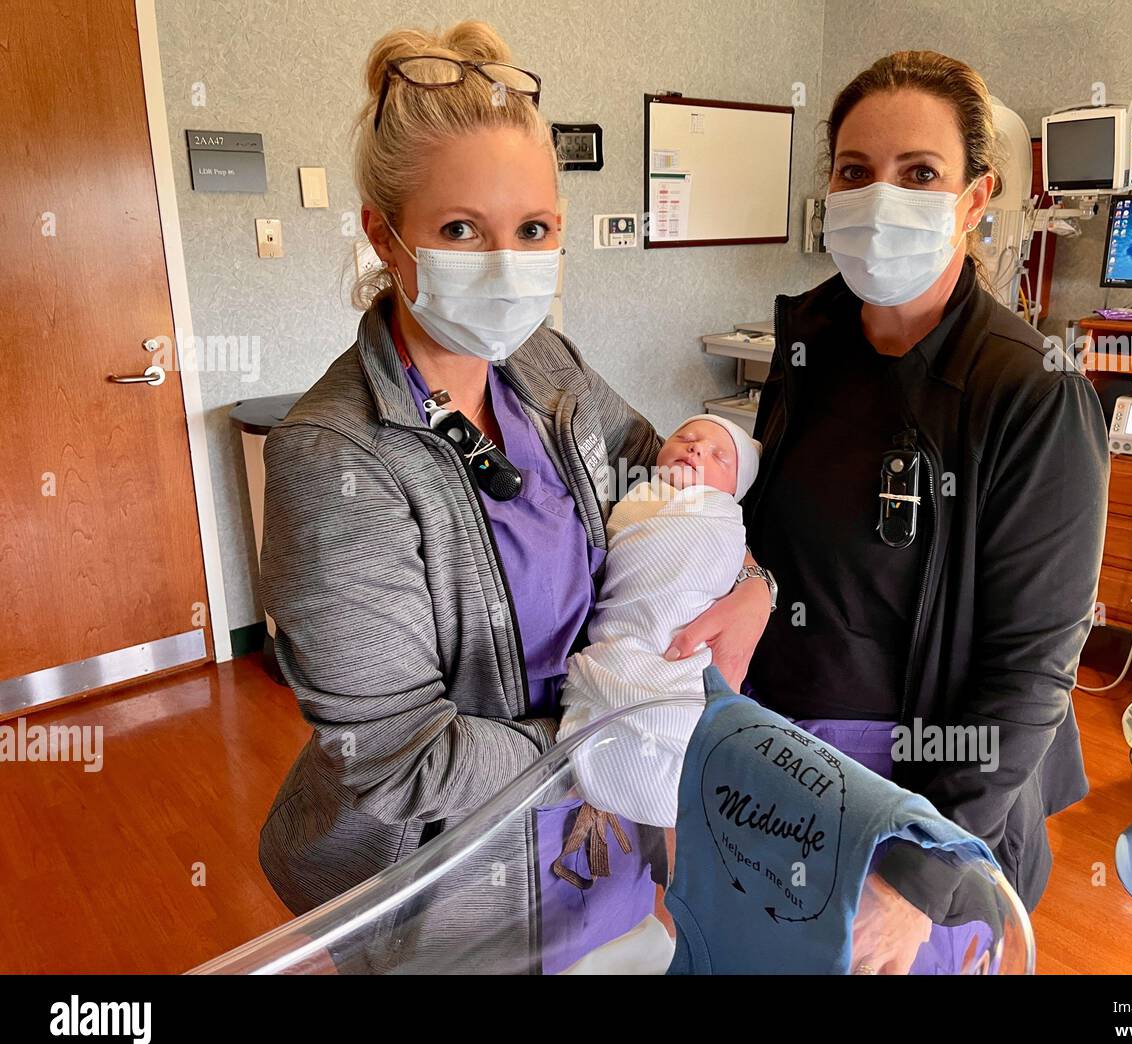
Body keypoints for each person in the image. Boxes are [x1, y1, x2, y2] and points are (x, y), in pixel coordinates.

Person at [255, 20, 772, 972]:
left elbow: (678, 482)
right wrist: (620, 728)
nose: (506, 263)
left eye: (532, 229)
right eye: (460, 230)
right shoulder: (332, 459)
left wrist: (755, 585)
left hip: (598, 850)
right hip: (455, 891)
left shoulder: (541, 364)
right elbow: (398, 761)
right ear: (385, 233)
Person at [741, 50, 1109, 973]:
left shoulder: (1027, 392)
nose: (881, 196)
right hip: (785, 759)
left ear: (975, 199)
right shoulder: (808, 342)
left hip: (929, 793)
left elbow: (1028, 676)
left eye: (920, 174)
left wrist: (916, 878)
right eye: (856, 172)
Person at [558, 415, 761, 827]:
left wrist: (758, 587)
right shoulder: (637, 497)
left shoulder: (721, 520)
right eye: (684, 436)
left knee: (686, 702)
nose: (696, 448)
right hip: (624, 633)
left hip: (678, 650)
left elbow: (716, 568)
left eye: (719, 456)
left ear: (734, 492)